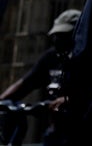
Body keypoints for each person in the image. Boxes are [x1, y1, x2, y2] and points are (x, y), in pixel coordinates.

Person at [0, 8, 80, 145]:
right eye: (57, 35)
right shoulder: (51, 57)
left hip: (81, 132)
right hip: (55, 133)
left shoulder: (88, 59)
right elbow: (26, 83)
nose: (58, 40)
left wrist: (68, 100)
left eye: (64, 35)